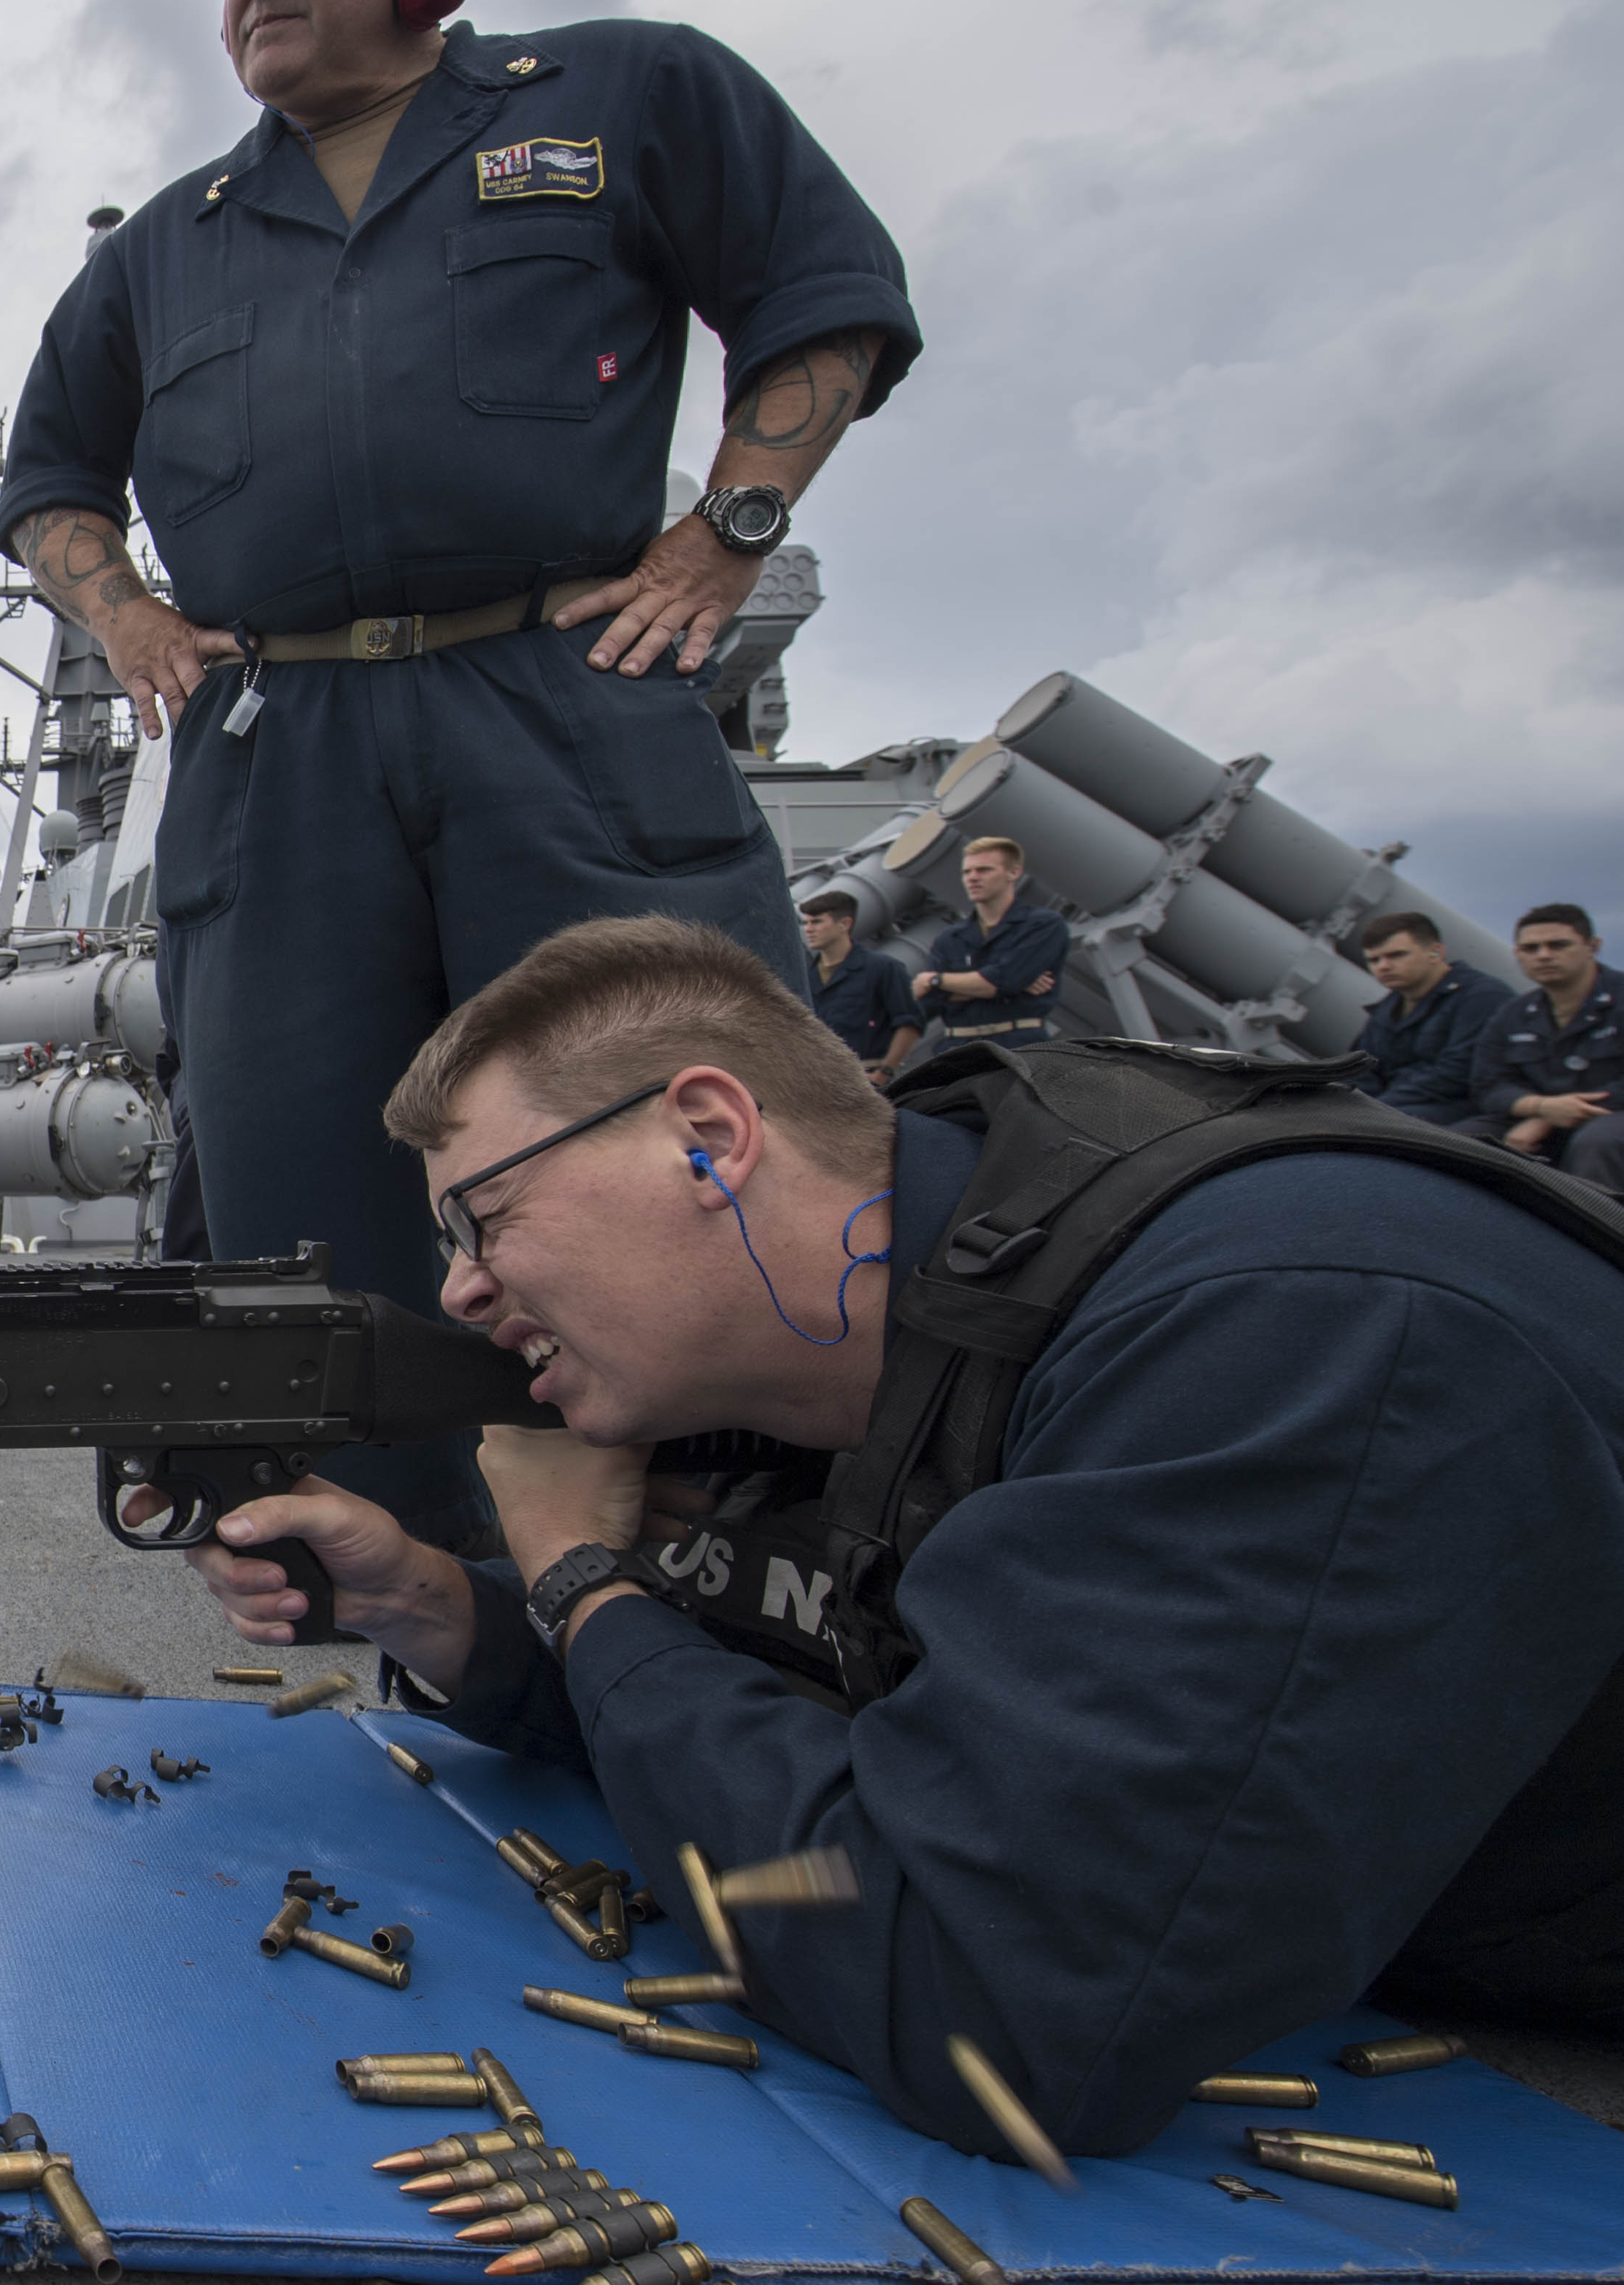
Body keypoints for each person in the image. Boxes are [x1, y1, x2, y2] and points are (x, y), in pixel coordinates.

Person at [173, 915, 1624, 2154]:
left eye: (485, 1219)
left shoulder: (1285, 1325)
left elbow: (995, 2004)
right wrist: (456, 1611)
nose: (469, 1292)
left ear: (708, 1134)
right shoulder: (915, 1298)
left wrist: (584, 1585)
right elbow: (810, 1702)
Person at [0, 0, 920, 1541]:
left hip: (558, 704)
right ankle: (410, 1600)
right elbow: (49, 473)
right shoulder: (160, 253)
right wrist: (120, 610)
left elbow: (822, 299)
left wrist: (725, 534)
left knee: (669, 1123)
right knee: (296, 1190)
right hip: (282, 754)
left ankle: (736, 1568)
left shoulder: (628, 93)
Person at [1476, 904, 1624, 1194]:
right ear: (1518, 954)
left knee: (1598, 1144)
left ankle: (1600, 1235)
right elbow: (1487, 1083)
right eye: (1531, 948)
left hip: (1614, 1114)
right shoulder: (1513, 1014)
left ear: (1593, 947)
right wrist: (1542, 1108)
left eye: (1558, 945)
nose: (1543, 955)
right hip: (1542, 1113)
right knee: (1458, 1141)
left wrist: (1551, 1115)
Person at [1349, 910, 1506, 1130]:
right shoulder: (1387, 1009)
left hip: (1466, 1108)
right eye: (1374, 960)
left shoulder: (1482, 996)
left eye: (1396, 955)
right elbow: (1363, 1070)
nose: (1383, 966)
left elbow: (1459, 1072)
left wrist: (1378, 1108)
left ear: (1435, 953)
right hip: (1398, 1107)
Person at [911, 835, 1064, 1048]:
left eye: (984, 870)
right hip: (957, 1051)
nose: (972, 878)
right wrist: (1011, 983)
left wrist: (935, 980)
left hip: (1019, 1048)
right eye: (967, 872)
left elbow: (1002, 981)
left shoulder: (1043, 925)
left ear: (1014, 872)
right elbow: (930, 1001)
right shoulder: (950, 938)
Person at [798, 891, 917, 1086]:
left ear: (845, 924)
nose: (808, 929)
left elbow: (909, 1025)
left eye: (817, 922)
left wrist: (884, 1073)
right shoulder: (805, 977)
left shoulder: (884, 969)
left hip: (866, 1082)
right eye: (806, 923)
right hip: (817, 1084)